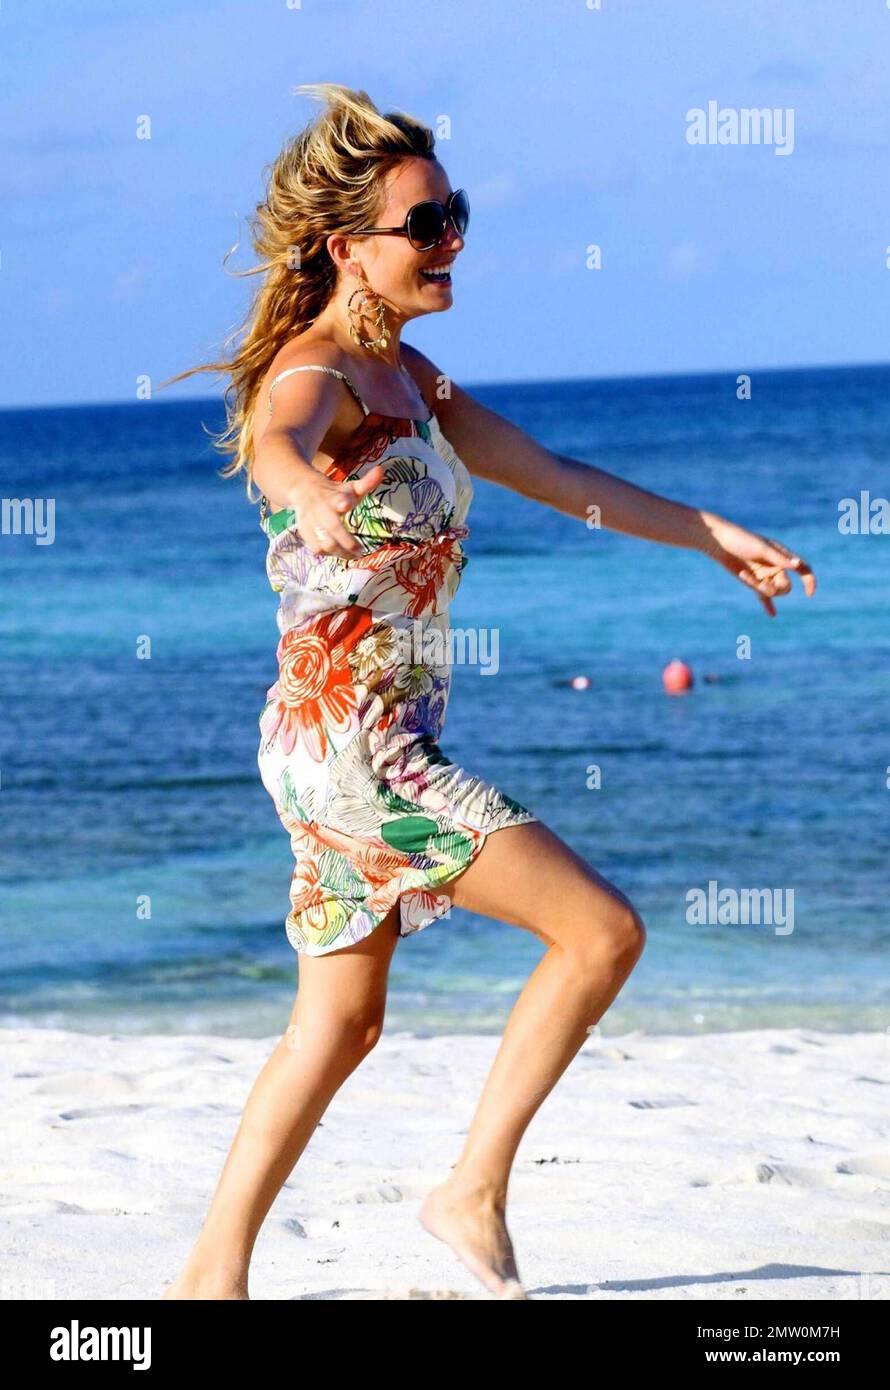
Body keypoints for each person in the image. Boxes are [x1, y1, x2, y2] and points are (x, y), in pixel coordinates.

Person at [162, 83, 815, 1301]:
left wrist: (708, 532)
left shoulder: (411, 380)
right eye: (425, 223)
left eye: (454, 211)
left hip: (343, 739)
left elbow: (558, 475)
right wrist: (303, 489)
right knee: (599, 929)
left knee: (338, 1029)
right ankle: (467, 1191)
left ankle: (208, 1279)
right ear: (345, 246)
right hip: (356, 750)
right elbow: (275, 433)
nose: (452, 236)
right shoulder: (323, 374)